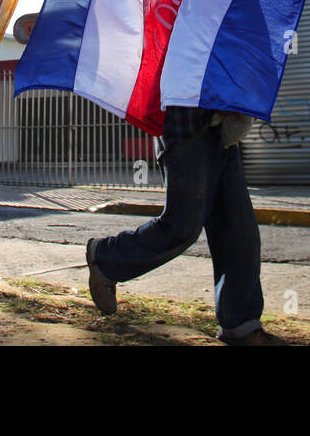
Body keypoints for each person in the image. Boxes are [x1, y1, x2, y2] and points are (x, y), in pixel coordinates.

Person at [85, 105, 287, 345]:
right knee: (181, 226)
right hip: (187, 128)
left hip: (221, 132)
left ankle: (241, 324)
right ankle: (107, 258)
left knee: (238, 231)